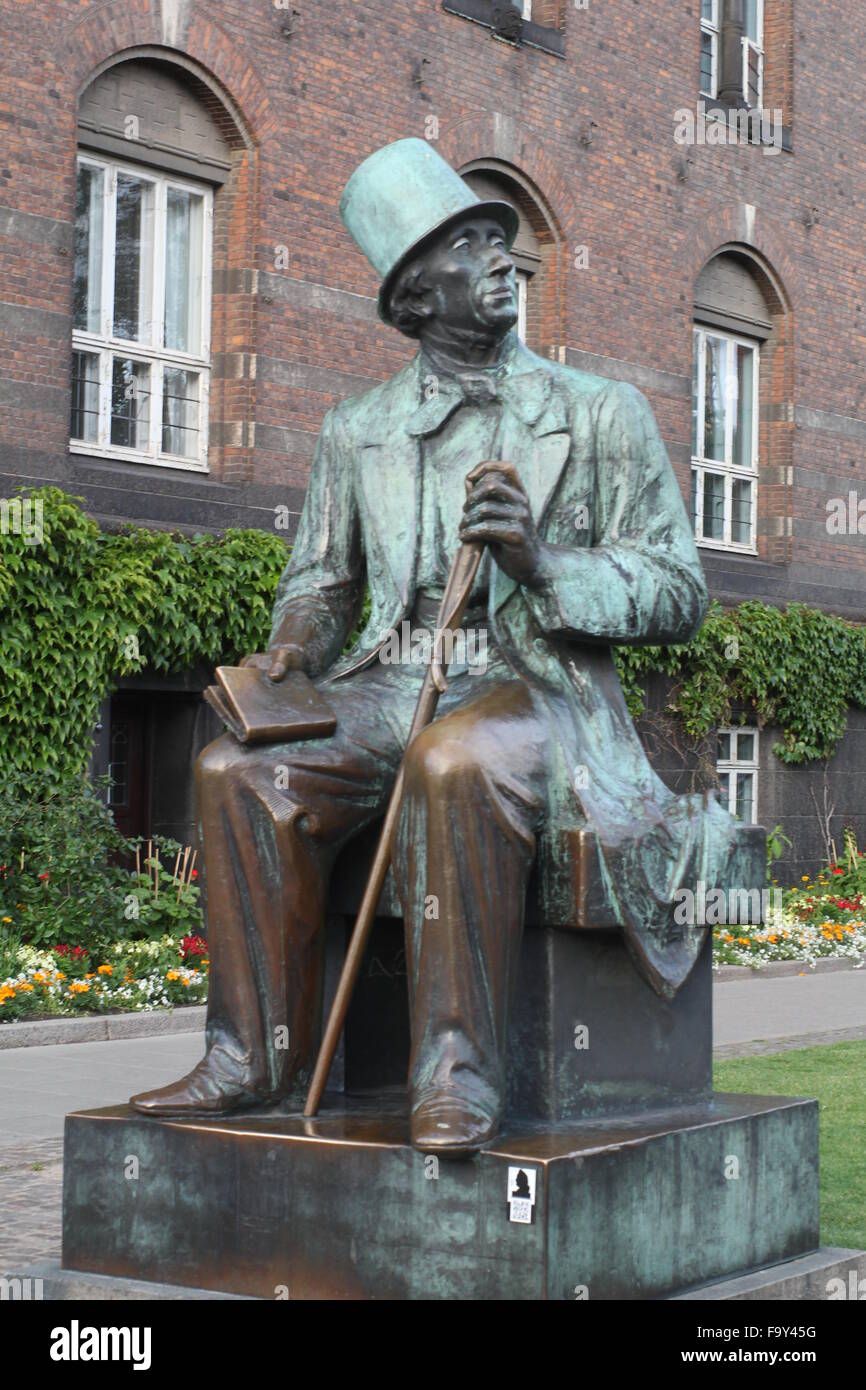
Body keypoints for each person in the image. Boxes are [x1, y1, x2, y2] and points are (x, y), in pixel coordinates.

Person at [131, 139, 743, 1153]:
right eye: (467, 245)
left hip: (536, 692)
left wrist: (545, 565)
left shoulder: (597, 414)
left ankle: (454, 1070)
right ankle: (252, 1062)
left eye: (497, 240)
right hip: (385, 684)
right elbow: (320, 583)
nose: (500, 257)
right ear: (413, 299)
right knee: (237, 770)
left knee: (451, 760)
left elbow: (679, 590)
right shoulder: (356, 427)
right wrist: (292, 650)